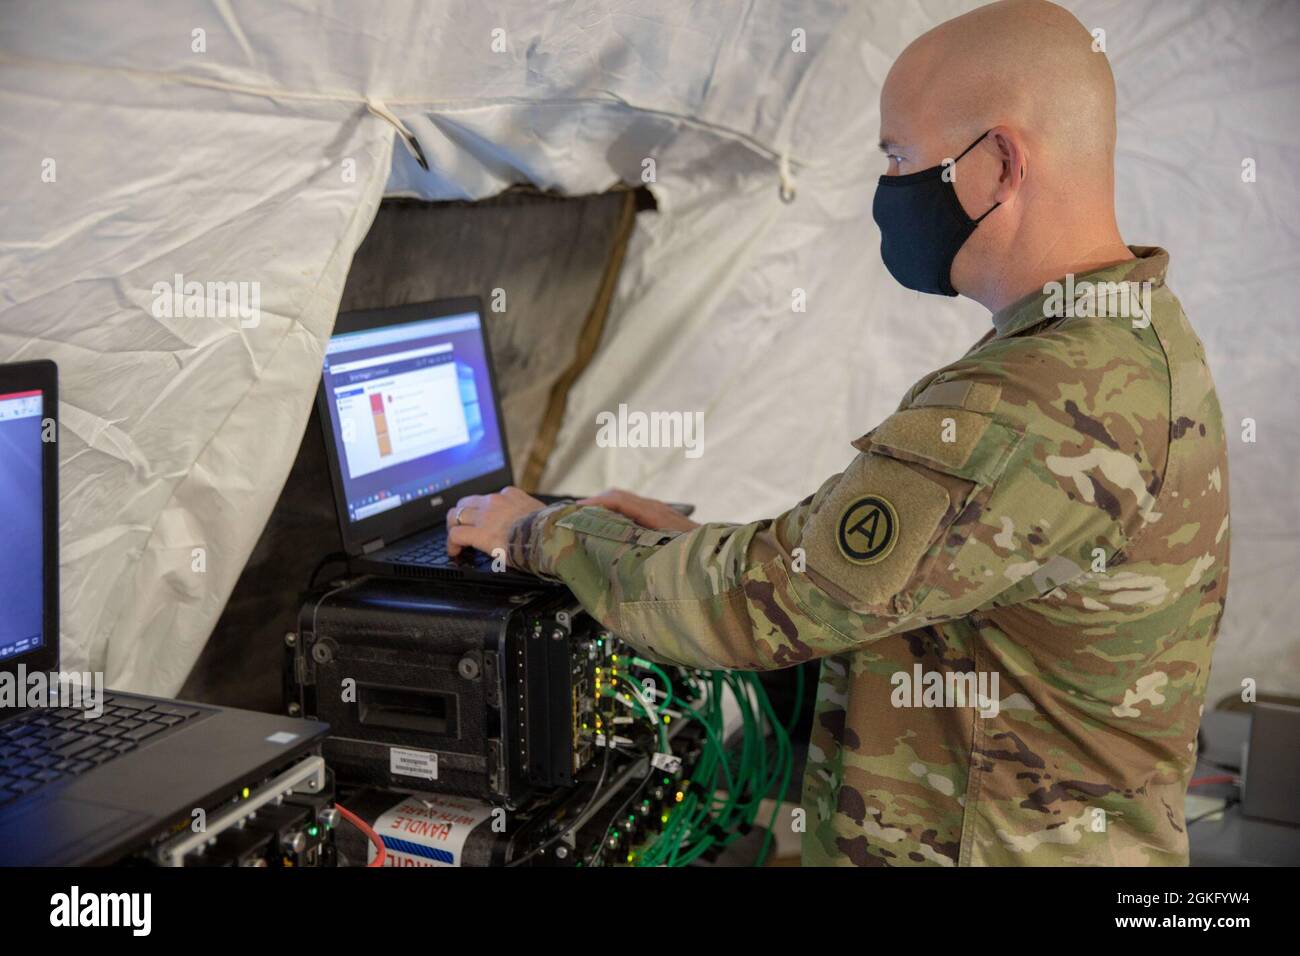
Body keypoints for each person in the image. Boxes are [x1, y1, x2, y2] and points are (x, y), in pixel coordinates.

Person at [445, 0, 1230, 866]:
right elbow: (902, 577)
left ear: (999, 164)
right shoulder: (1126, 334)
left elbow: (761, 607)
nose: (889, 189)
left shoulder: (1037, 397)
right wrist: (684, 544)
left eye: (900, 158)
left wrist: (540, 533)